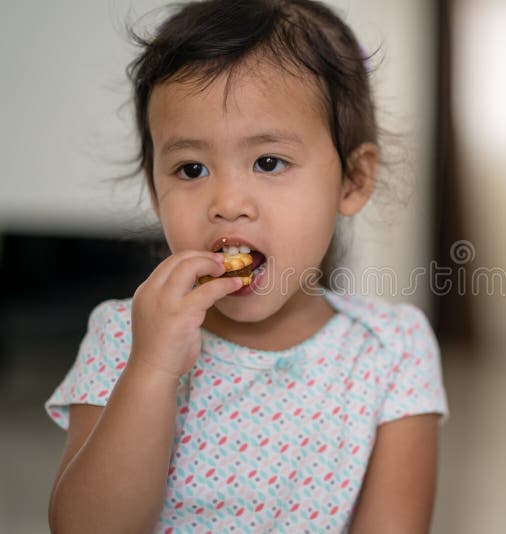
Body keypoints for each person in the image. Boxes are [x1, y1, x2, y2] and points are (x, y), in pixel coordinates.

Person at [44, 1, 448, 532]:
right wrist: (153, 370)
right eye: (191, 168)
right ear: (154, 189)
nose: (228, 202)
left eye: (268, 162)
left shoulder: (391, 351)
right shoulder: (123, 338)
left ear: (353, 181)